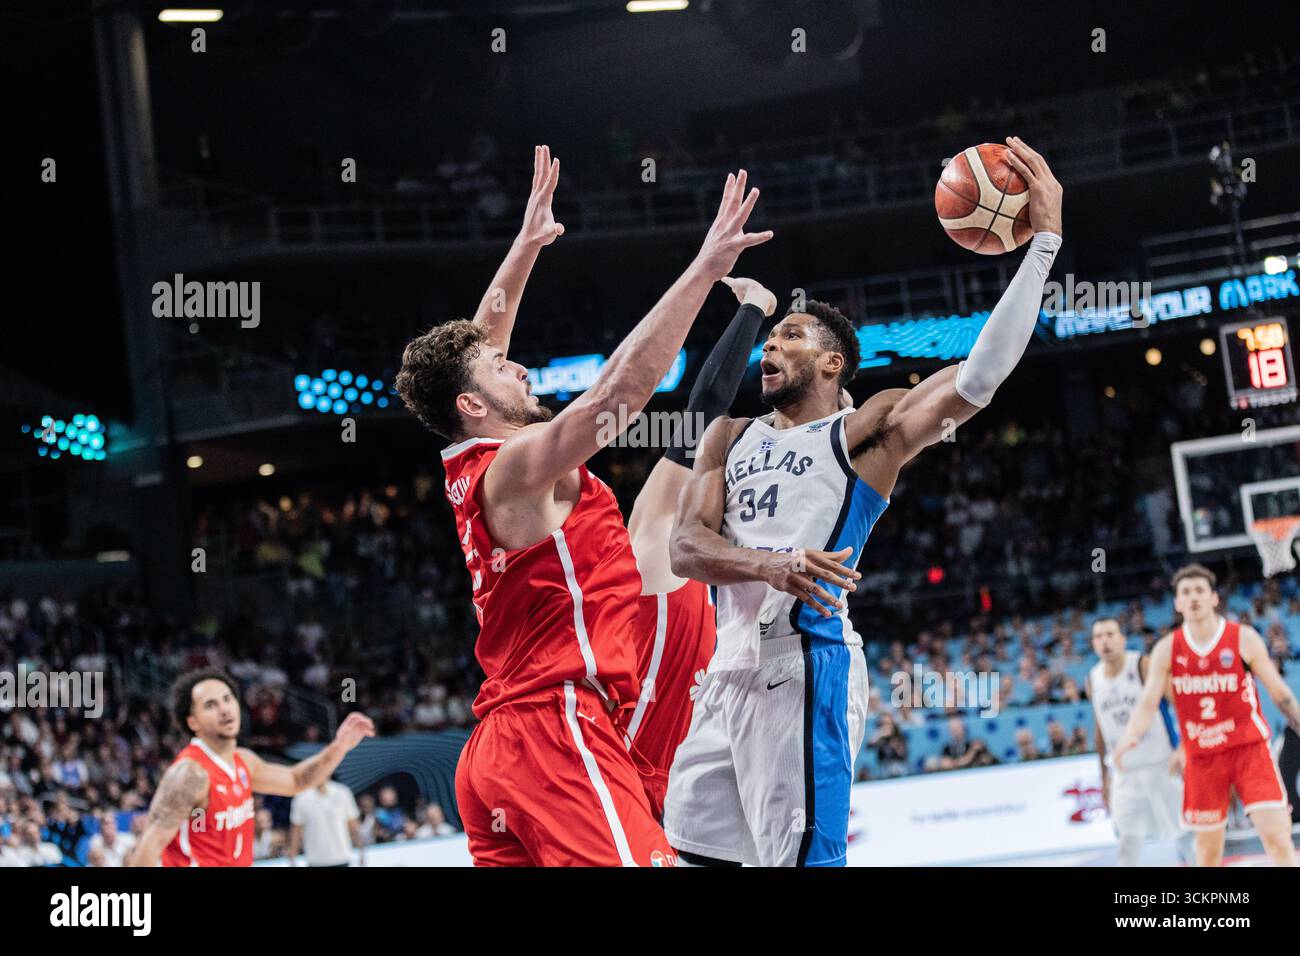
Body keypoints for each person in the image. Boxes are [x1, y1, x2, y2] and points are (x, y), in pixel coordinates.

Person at [664, 137, 1063, 866]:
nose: (770, 347)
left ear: (832, 361)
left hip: (805, 663)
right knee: (694, 857)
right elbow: (684, 548)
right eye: (769, 337)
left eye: (790, 334)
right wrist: (770, 562)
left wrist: (1045, 247)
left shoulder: (868, 428)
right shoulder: (725, 436)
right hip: (722, 677)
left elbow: (979, 379)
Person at [395, 147, 770, 866]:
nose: (521, 364)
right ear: (474, 405)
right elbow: (616, 397)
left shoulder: (473, 457)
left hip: (505, 747)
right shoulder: (514, 465)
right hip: (555, 728)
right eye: (505, 370)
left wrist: (525, 246)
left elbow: (481, 345)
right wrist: (703, 271)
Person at [1114, 563, 1299, 866]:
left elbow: (1281, 693)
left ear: (1214, 598)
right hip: (1202, 757)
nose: (1193, 597)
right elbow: (1148, 703)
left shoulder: (1243, 637)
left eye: (1200, 590)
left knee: (1278, 840)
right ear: (1177, 603)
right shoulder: (1166, 649)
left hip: (1249, 749)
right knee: (1209, 854)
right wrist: (1129, 739)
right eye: (1185, 592)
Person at [127, 670, 375, 867]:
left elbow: (297, 780)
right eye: (210, 705)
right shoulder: (189, 774)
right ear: (192, 722)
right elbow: (148, 849)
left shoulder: (244, 761)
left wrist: (340, 746)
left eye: (227, 699)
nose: (224, 708)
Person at [1087, 617, 1184, 866]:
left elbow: (1182, 704)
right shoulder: (1092, 679)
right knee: (1127, 839)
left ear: (1122, 638)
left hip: (1163, 764)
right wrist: (1103, 775)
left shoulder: (1143, 665)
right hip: (1124, 772)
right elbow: (1101, 729)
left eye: (1110, 634)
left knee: (1184, 833)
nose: (1105, 641)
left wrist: (1185, 747)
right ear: (1093, 644)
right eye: (1099, 636)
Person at [288, 779, 363, 867]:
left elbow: (353, 825)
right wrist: (292, 857)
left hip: (341, 856)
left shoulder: (342, 792)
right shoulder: (301, 797)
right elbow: (295, 831)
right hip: (316, 860)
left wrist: (362, 850)